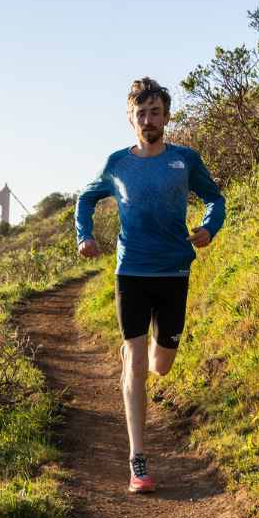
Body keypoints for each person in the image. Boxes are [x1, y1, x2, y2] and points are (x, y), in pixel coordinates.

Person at [75, 77, 225, 494]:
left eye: (155, 112)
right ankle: (137, 459)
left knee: (162, 364)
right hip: (132, 273)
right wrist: (84, 236)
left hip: (174, 270)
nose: (148, 119)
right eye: (140, 113)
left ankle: (140, 360)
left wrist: (209, 228)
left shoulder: (184, 160)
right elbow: (85, 199)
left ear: (166, 115)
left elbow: (215, 198)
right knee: (137, 363)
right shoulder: (116, 163)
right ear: (130, 118)